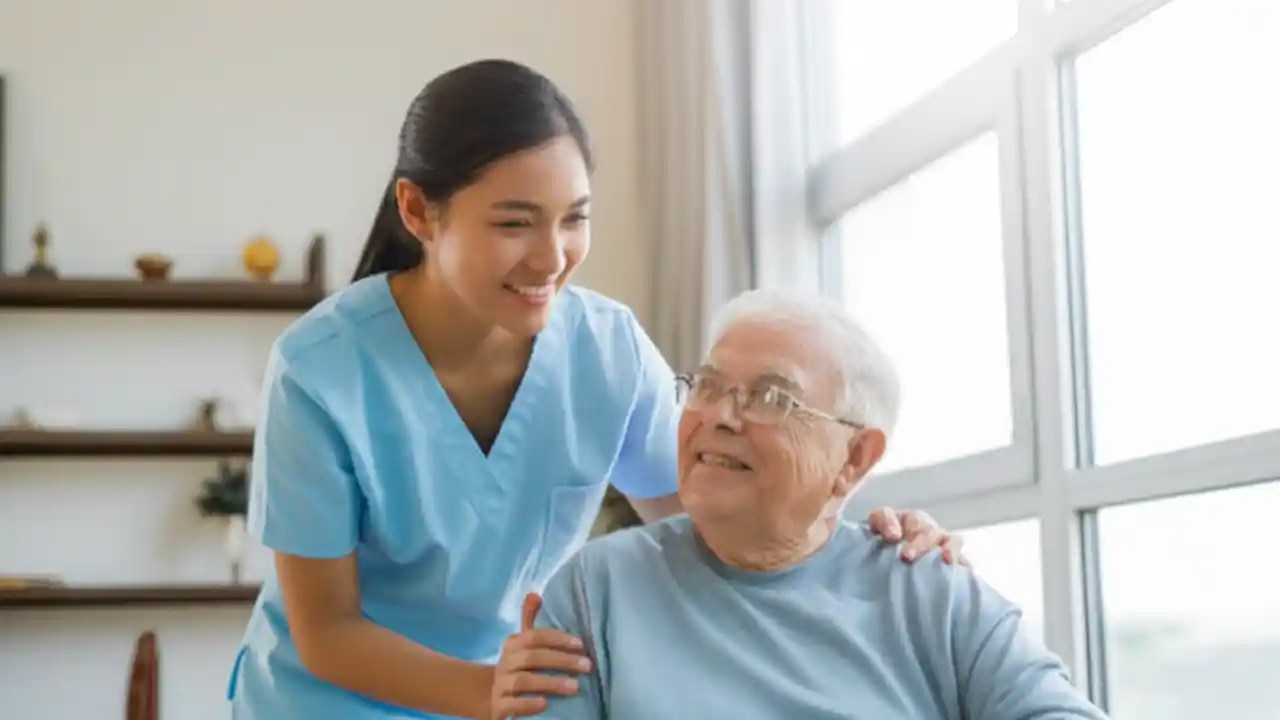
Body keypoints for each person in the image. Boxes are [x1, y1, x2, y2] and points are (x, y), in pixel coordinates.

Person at [226, 59, 964, 720]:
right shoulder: (319, 371)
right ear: (418, 211)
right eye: (515, 223)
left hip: (516, 697)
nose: (553, 258)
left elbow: (721, 516)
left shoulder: (604, 351)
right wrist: (491, 693)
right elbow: (328, 635)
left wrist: (863, 539)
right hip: (324, 701)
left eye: (575, 219)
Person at [531, 289, 1109, 719]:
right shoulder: (594, 591)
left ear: (854, 458)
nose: (720, 416)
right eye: (707, 385)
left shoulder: (931, 588)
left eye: (772, 398)